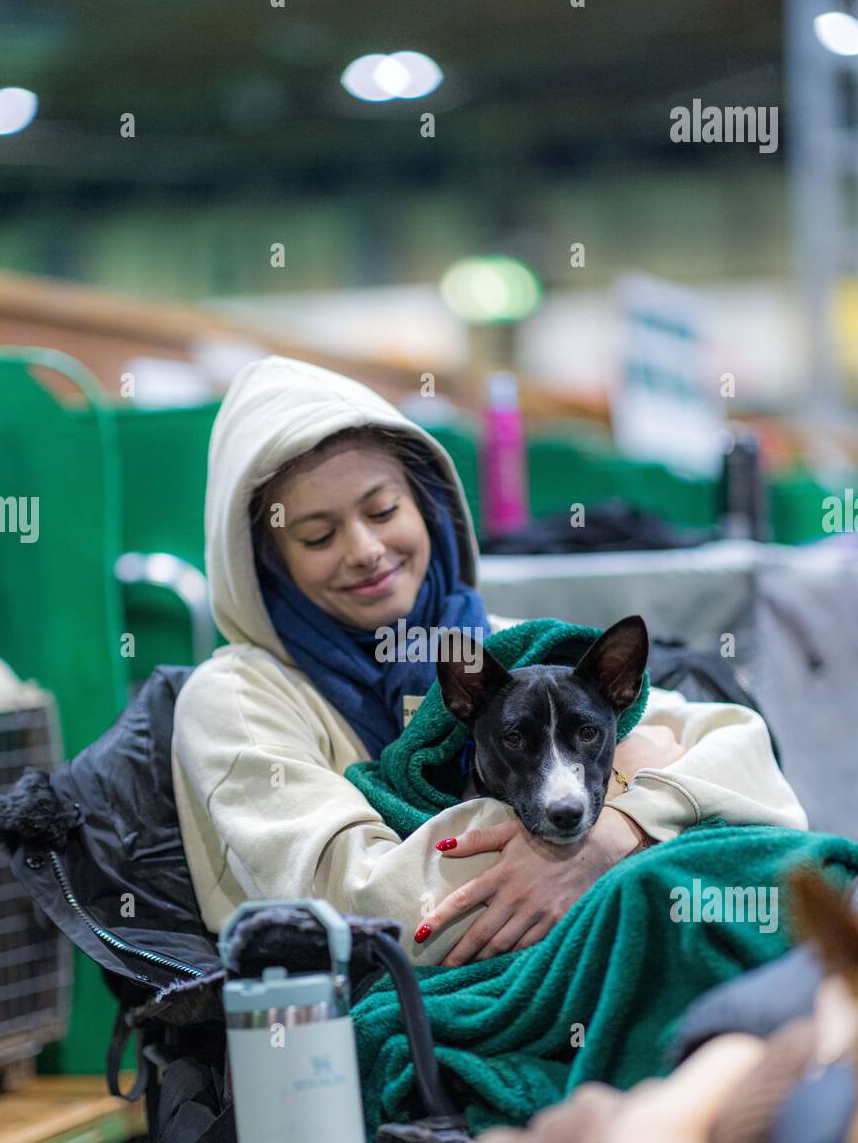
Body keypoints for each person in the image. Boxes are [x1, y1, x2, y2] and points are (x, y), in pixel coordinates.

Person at [172, 355, 806, 967]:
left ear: (428, 506)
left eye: (383, 510)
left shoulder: (507, 650)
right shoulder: (236, 698)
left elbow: (758, 779)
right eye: (317, 534)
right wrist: (585, 840)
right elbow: (367, 908)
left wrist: (623, 827)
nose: (365, 550)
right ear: (266, 560)